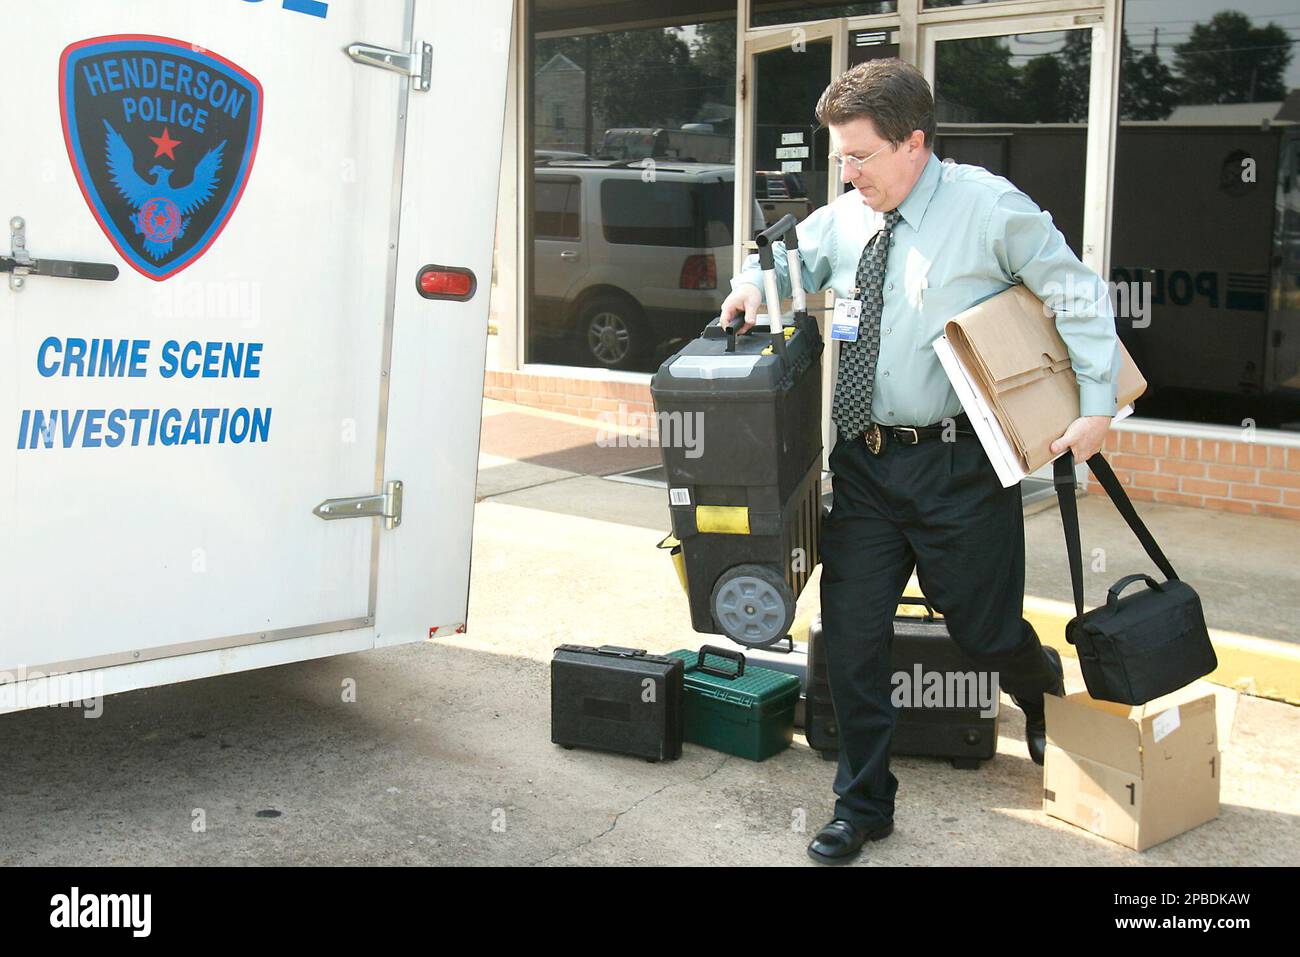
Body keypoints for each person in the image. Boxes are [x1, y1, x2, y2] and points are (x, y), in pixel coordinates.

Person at [719, 59, 1121, 866]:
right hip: (866, 469)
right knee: (855, 638)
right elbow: (792, 266)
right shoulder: (846, 219)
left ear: (913, 144)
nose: (849, 171)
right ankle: (862, 804)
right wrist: (751, 291)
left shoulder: (988, 208)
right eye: (841, 157)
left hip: (959, 469)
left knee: (982, 629)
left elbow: (1075, 292)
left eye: (861, 155)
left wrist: (1097, 401)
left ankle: (1036, 679)